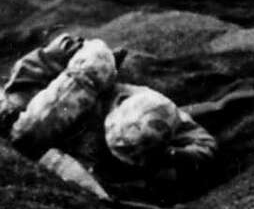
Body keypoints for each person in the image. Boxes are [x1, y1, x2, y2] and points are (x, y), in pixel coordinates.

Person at [3, 34, 216, 200]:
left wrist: (170, 157)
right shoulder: (40, 90)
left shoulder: (160, 111)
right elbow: (33, 70)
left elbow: (204, 146)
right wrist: (68, 53)